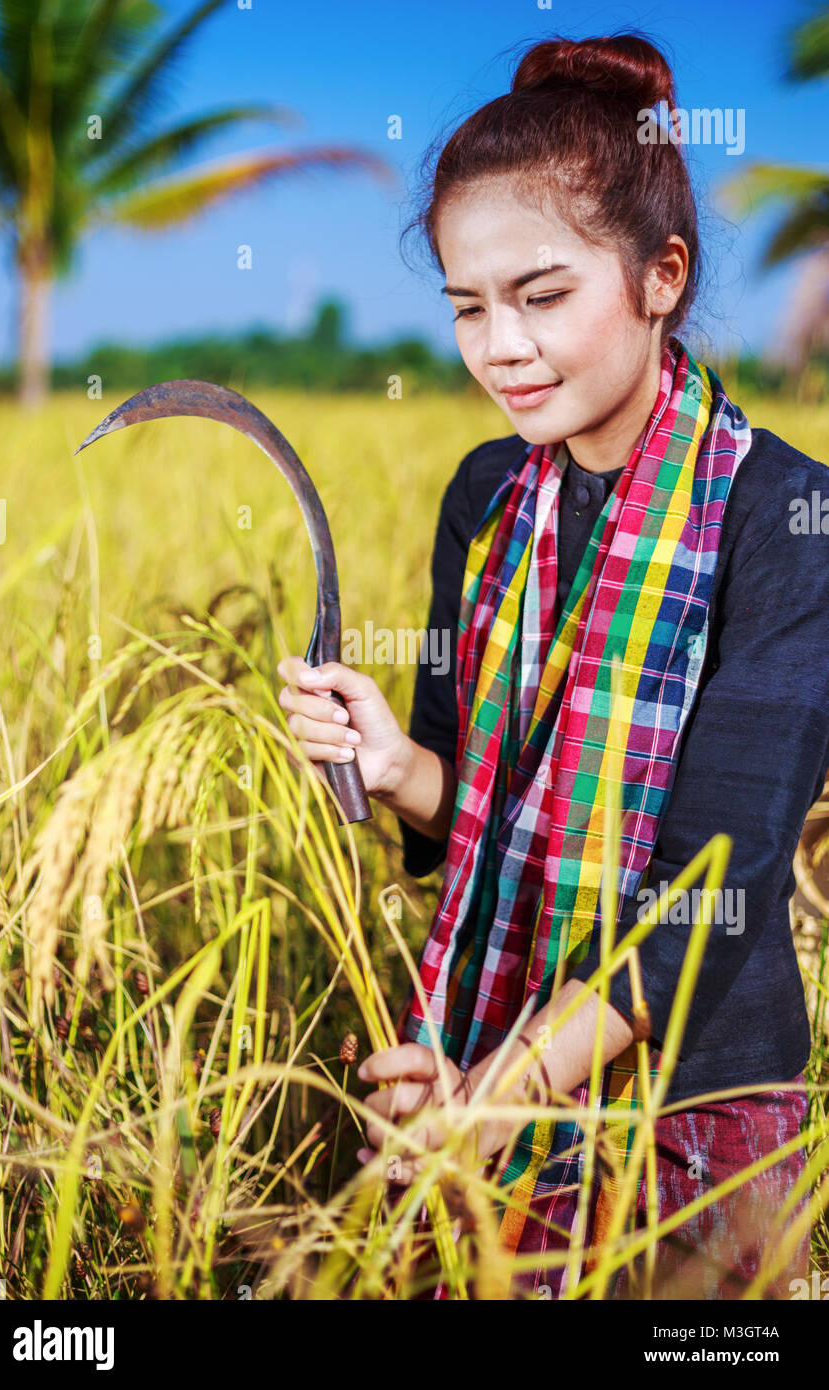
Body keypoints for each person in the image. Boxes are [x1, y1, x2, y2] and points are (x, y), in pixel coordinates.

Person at [276, 33, 829, 1298]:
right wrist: (396, 763)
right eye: (467, 305)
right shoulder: (485, 498)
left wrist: (484, 1100)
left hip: (697, 1121)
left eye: (539, 294)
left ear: (657, 279)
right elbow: (475, 805)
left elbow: (708, 894)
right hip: (478, 1059)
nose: (499, 347)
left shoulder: (783, 522)